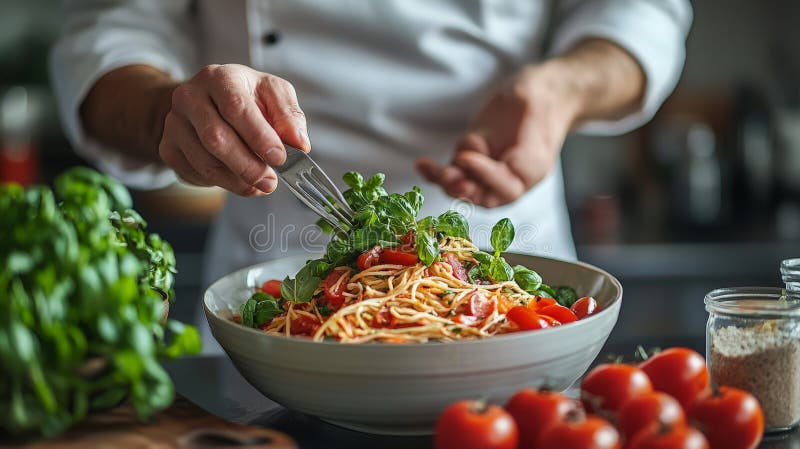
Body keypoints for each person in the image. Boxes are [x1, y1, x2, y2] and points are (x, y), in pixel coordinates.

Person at [51, 0, 692, 350]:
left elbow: (644, 11)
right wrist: (173, 111)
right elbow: (107, 32)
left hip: (502, 285)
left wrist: (560, 91)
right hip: (278, 279)